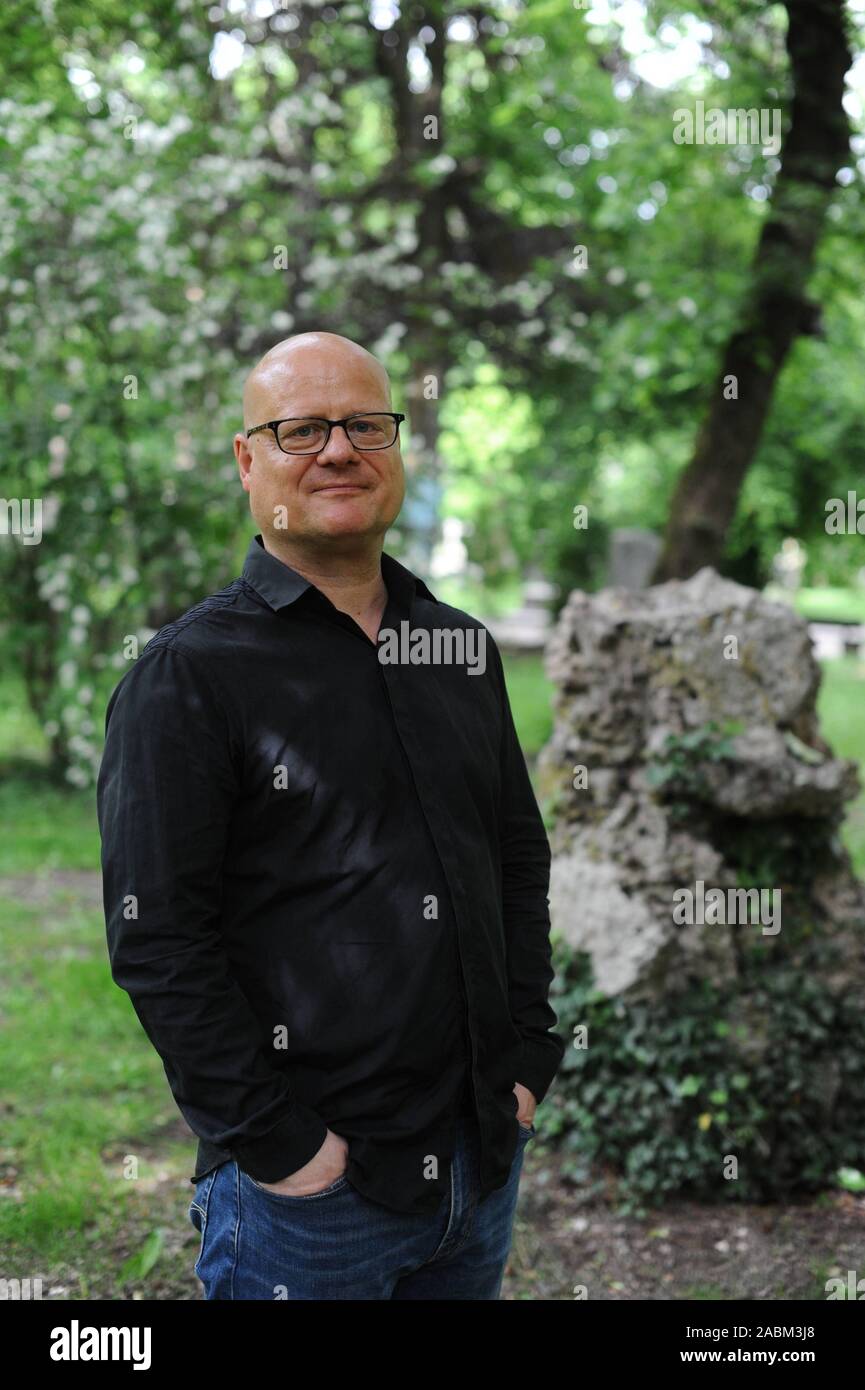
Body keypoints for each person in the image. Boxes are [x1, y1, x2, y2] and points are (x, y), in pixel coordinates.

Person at [96, 331, 565, 1300]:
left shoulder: (460, 649)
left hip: (478, 1162)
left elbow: (515, 860)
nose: (339, 450)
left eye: (364, 423)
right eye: (301, 428)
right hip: (310, 1204)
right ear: (247, 458)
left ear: (396, 444)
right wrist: (284, 1148)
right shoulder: (187, 677)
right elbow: (158, 940)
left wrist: (526, 1061)